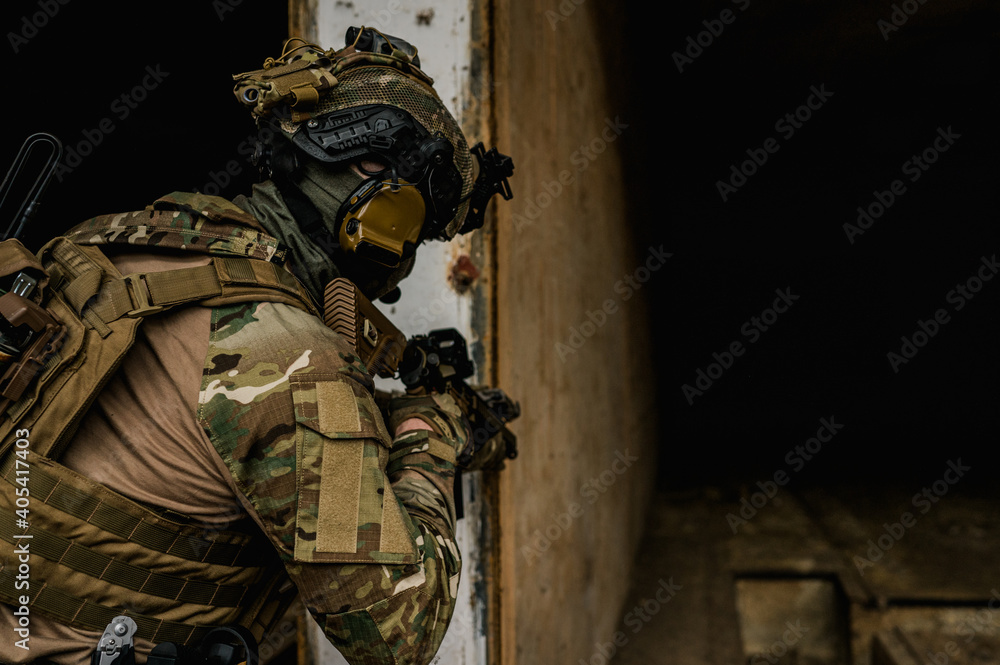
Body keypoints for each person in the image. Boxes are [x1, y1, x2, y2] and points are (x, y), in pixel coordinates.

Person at [0, 27, 513, 665]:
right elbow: (400, 637)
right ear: (389, 209)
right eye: (419, 231)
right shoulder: (292, 360)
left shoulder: (114, 242)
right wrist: (429, 433)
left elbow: (209, 413)